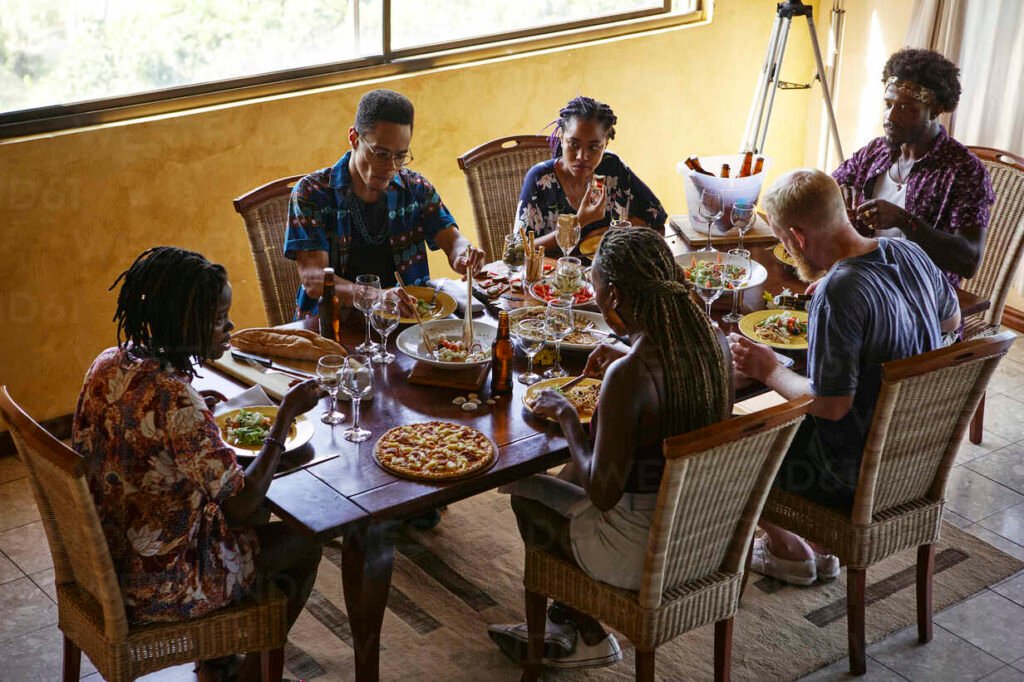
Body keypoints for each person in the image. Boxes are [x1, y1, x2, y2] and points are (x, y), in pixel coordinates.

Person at [72, 247, 325, 682]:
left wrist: (196, 412)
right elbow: (240, 508)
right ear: (182, 322)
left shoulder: (109, 362)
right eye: (217, 318)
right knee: (304, 541)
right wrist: (284, 417)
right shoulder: (173, 397)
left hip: (104, 558)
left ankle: (218, 659)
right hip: (156, 583)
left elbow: (140, 430)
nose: (228, 327)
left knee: (252, 506)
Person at [488, 228, 731, 669]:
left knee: (526, 492)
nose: (594, 298)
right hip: (706, 533)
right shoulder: (714, 344)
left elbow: (603, 492)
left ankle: (585, 629)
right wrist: (623, 350)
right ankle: (570, 619)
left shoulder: (630, 376)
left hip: (642, 552)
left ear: (614, 295)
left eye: (595, 288)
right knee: (563, 483)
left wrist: (567, 416)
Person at [730, 169, 960, 586]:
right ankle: (815, 545)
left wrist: (769, 369)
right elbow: (951, 318)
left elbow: (831, 406)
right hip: (915, 456)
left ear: (797, 238)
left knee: (734, 448)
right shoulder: (908, 252)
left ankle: (789, 551)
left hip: (849, 476)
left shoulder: (841, 292)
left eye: (783, 239)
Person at [285, 88, 486, 318]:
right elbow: (314, 279)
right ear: (354, 138)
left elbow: (453, 241)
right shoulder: (312, 194)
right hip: (335, 328)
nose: (391, 166)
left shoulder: (416, 188)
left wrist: (464, 254)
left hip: (409, 326)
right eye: (381, 153)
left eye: (400, 156)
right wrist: (378, 297)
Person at [833, 47, 994, 290]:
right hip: (862, 282)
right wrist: (837, 194)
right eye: (888, 104)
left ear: (936, 110)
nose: (890, 116)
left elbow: (969, 260)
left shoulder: (964, 171)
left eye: (906, 108)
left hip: (922, 300)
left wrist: (905, 221)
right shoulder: (876, 152)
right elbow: (829, 185)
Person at [516, 96, 668, 252]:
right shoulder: (540, 179)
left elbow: (656, 217)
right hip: (557, 273)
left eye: (594, 147)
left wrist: (613, 231)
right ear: (561, 137)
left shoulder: (612, 168)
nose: (582, 156)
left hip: (609, 271)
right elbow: (519, 251)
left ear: (605, 144)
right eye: (574, 144)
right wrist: (579, 222)